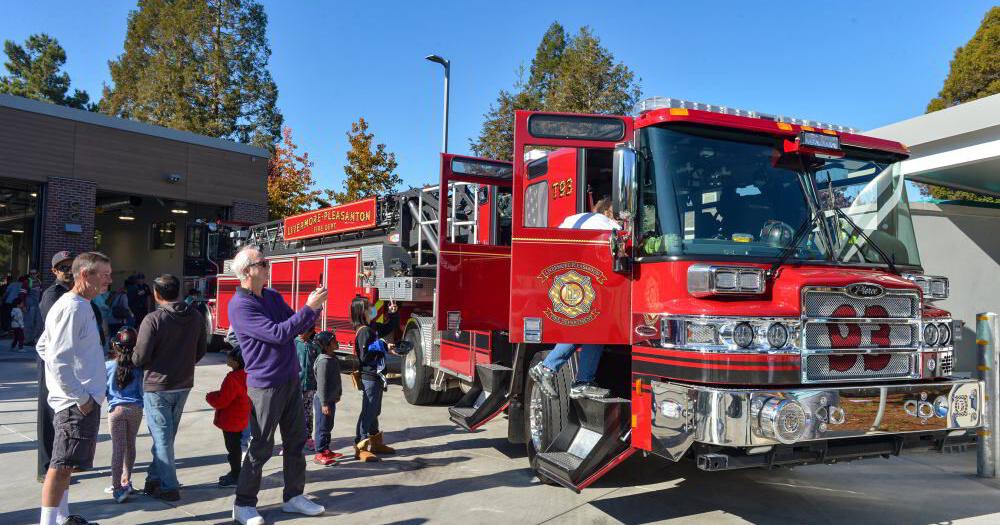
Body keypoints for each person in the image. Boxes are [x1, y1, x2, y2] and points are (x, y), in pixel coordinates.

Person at [228, 245, 327, 525]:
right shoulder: (241, 305)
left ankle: (293, 496)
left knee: (295, 442)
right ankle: (244, 504)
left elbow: (294, 325)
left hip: (289, 378)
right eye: (264, 263)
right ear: (248, 271)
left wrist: (312, 309)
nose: (269, 266)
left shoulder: (270, 295)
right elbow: (279, 334)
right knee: (260, 446)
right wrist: (310, 307)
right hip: (265, 385)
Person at [36, 252, 113, 525]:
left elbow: (43, 346)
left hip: (77, 399)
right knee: (60, 466)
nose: (109, 281)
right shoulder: (73, 308)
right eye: (104, 275)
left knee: (67, 466)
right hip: (75, 403)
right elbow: (57, 358)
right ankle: (49, 521)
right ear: (85, 275)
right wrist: (81, 397)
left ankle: (61, 516)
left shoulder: (77, 304)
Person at [529, 197, 620, 400]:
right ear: (607, 211)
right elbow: (621, 248)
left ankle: (555, 371)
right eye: (617, 211)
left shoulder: (576, 219)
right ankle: (559, 373)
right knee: (594, 328)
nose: (621, 216)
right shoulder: (605, 223)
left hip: (564, 277)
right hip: (585, 279)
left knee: (589, 328)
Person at [131, 274, 208, 502]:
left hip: (157, 385)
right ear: (178, 291)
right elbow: (201, 349)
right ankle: (154, 477)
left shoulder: (153, 319)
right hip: (183, 382)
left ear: (156, 294)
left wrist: (134, 359)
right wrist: (184, 363)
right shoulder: (195, 316)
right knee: (165, 435)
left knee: (162, 437)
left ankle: (169, 485)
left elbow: (140, 356)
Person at [351, 295, 399, 462]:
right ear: (361, 311)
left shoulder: (371, 326)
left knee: (374, 410)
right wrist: (383, 346)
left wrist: (393, 313)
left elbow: (387, 328)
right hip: (369, 376)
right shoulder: (364, 331)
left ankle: (376, 443)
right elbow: (364, 356)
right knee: (368, 410)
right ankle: (360, 446)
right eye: (369, 306)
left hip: (377, 376)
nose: (372, 308)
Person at [105, 327, 143, 503]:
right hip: (135, 409)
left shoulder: (109, 366)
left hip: (116, 410)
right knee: (130, 445)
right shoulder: (139, 367)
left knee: (117, 449)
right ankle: (127, 480)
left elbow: (102, 389)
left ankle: (117, 488)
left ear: (116, 345)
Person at [206, 349, 250, 487]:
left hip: (231, 419)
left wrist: (210, 396)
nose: (227, 359)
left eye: (230, 358)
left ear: (236, 362)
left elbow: (223, 400)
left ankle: (236, 474)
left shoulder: (233, 378)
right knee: (235, 446)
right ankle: (237, 472)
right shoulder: (247, 375)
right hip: (241, 416)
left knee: (233, 449)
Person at [312, 331, 342, 466]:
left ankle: (326, 449)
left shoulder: (332, 358)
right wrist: (324, 403)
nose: (337, 342)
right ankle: (319, 453)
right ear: (327, 345)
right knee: (322, 426)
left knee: (329, 425)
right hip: (323, 400)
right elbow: (322, 385)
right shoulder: (324, 361)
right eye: (334, 341)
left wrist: (337, 395)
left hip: (330, 399)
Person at [295, 327, 319, 453]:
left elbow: (318, 364)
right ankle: (290, 441)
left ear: (310, 332)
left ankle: (308, 438)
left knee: (308, 413)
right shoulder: (294, 343)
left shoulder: (314, 346)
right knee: (293, 413)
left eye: (304, 331)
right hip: (295, 384)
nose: (301, 334)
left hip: (309, 385)